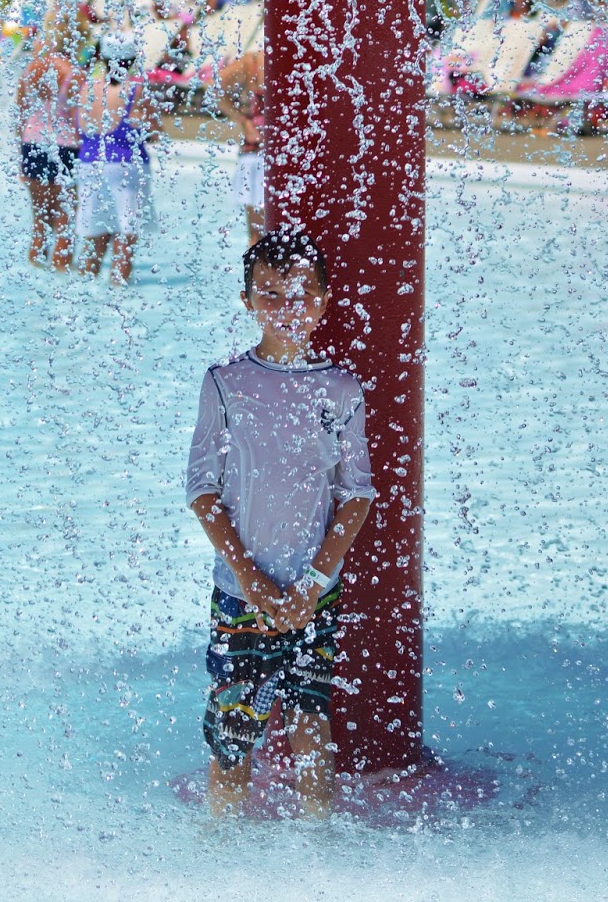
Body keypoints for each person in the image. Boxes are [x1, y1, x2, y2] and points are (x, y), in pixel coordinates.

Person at [186, 228, 375, 818]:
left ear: (322, 301)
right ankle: (219, 853)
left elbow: (357, 495)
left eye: (299, 293)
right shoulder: (224, 382)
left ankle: (319, 856)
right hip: (238, 592)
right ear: (247, 300)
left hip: (313, 591)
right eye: (270, 293)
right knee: (232, 732)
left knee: (310, 724)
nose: (286, 306)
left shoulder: (340, 388)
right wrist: (254, 582)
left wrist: (313, 582)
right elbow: (202, 490)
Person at [75, 34, 158, 284]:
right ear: (131, 59)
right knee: (126, 230)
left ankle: (86, 283)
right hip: (125, 165)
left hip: (89, 163)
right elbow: (153, 130)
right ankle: (119, 287)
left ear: (102, 57)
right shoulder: (135, 88)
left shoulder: (88, 87)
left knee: (96, 230)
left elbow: (80, 126)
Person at [16, 17, 80, 269]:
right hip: (65, 146)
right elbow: (80, 118)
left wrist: (19, 155)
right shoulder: (72, 73)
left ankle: (36, 269)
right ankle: (61, 274)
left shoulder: (30, 70)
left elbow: (20, 115)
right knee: (64, 217)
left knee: (40, 218)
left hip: (31, 143)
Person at [215, 49, 264, 244]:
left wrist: (244, 121)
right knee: (259, 235)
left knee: (258, 236)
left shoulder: (253, 61)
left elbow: (215, 89)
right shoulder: (252, 60)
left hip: (256, 155)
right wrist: (244, 121)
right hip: (260, 155)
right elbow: (214, 89)